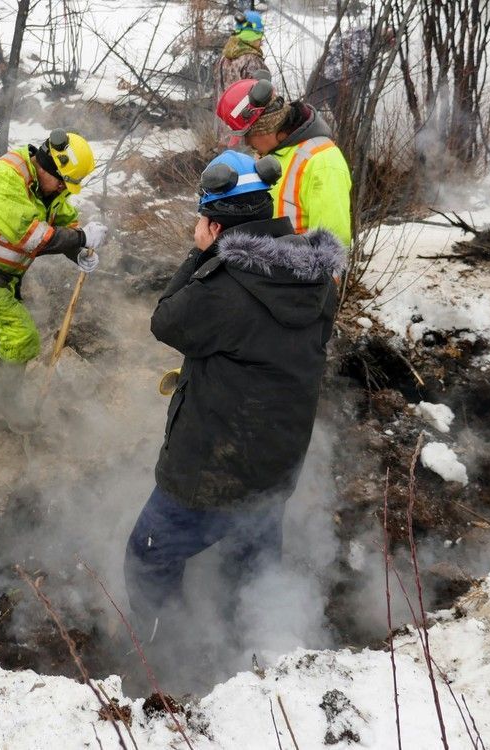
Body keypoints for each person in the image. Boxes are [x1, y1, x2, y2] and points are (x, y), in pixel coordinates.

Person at [124, 150, 345, 630]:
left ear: (216, 226)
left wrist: (200, 255)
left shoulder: (222, 289)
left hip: (213, 468)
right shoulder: (315, 277)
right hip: (276, 462)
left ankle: (161, 648)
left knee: (148, 556)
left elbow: (166, 321)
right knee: (252, 569)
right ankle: (253, 650)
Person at [0, 129, 107, 430]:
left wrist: (79, 251)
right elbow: (32, 237)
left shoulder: (47, 186)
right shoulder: (4, 180)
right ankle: (5, 406)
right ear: (47, 164)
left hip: (4, 272)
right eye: (63, 181)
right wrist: (82, 237)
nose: (64, 189)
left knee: (9, 334)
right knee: (21, 336)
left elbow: (63, 220)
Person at [216, 78, 353, 247]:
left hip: (297, 264)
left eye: (247, 135)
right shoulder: (268, 155)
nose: (247, 143)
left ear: (266, 126)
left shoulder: (322, 161)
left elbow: (333, 246)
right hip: (265, 262)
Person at [215, 10, 269, 98]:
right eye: (260, 36)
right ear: (253, 36)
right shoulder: (252, 61)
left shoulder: (223, 58)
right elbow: (262, 98)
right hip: (246, 107)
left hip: (225, 107)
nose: (261, 41)